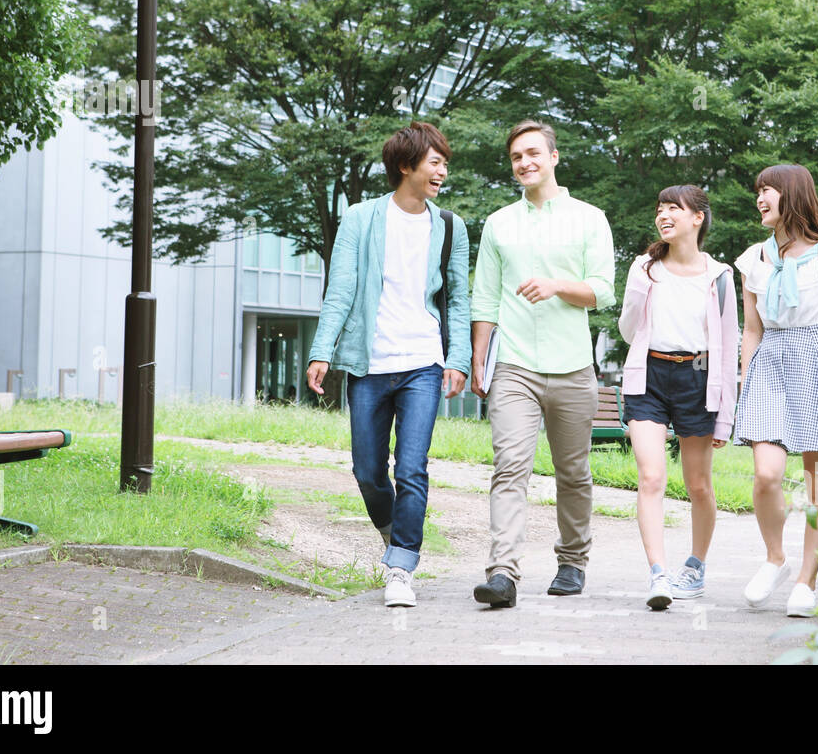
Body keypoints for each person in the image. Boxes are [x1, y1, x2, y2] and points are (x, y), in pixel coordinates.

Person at [305, 121, 471, 609]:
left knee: (413, 468)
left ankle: (401, 565)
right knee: (368, 471)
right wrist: (322, 350)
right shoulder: (360, 218)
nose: (442, 170)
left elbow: (458, 298)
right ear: (407, 166)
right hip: (369, 364)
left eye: (444, 162)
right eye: (435, 161)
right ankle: (393, 533)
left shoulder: (449, 226)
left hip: (423, 362)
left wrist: (457, 357)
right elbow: (340, 289)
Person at [469, 120, 615, 608]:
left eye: (533, 153)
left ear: (554, 156)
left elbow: (603, 291)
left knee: (572, 471)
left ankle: (572, 562)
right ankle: (503, 574)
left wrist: (555, 285)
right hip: (513, 365)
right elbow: (485, 299)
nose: (525, 162)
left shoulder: (589, 218)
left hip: (573, 366)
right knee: (509, 467)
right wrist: (478, 358)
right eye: (516, 157)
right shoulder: (498, 224)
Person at [733, 164, 818, 618]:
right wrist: (745, 381)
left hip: (817, 358)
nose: (760, 198)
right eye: (758, 190)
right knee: (766, 475)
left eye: (768, 190)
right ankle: (776, 557)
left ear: (792, 195)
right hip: (771, 360)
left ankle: (806, 581)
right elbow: (751, 330)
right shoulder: (753, 258)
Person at [617, 185, 739, 610]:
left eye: (674, 208)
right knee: (651, 477)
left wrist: (725, 416)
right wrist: (640, 285)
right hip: (649, 374)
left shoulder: (719, 275)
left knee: (699, 485)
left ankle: (695, 567)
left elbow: (727, 347)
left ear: (698, 218)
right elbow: (628, 329)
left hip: (698, 378)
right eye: (660, 208)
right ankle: (658, 574)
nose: (663, 215)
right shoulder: (644, 269)